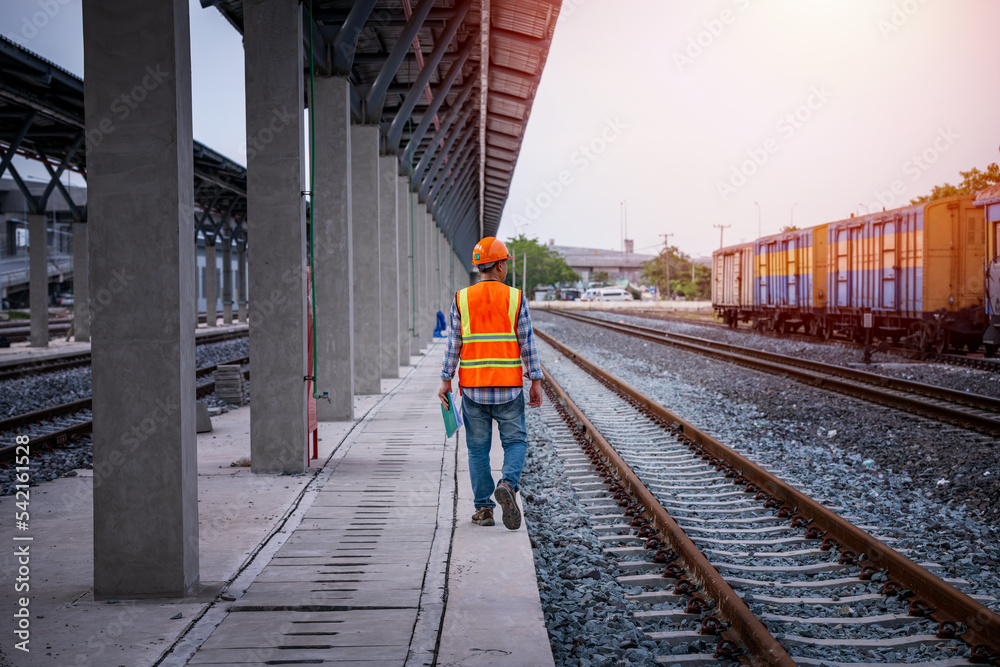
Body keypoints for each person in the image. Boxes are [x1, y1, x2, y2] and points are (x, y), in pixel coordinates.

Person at [437, 237, 543, 530]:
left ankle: (483, 510)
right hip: (509, 387)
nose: (506, 267)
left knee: (477, 449)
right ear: (498, 264)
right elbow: (527, 343)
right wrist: (535, 380)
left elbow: (453, 344)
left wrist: (445, 380)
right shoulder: (516, 298)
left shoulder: (461, 298)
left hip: (473, 389)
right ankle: (508, 484)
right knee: (515, 441)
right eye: (506, 262)